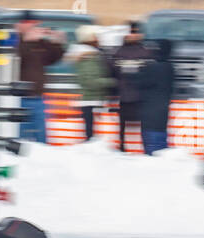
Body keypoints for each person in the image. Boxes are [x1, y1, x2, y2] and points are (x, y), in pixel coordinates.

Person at [14, 12, 66, 144]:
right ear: (21, 25)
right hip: (18, 99)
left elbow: (52, 59)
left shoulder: (40, 43)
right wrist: (26, 41)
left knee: (41, 135)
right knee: (21, 135)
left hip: (38, 97)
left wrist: (57, 42)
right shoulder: (14, 40)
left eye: (36, 24)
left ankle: (41, 159)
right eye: (31, 24)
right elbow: (14, 60)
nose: (35, 27)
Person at [109, 21, 152, 152]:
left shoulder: (145, 52)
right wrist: (112, 95)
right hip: (124, 95)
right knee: (122, 123)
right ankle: (121, 147)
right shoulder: (119, 52)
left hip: (140, 96)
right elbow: (113, 73)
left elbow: (149, 73)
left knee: (142, 123)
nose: (133, 35)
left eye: (136, 32)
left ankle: (144, 148)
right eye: (131, 32)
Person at [71, 25, 113, 142]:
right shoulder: (87, 58)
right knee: (91, 138)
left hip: (94, 100)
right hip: (91, 101)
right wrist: (112, 82)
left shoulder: (92, 55)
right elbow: (91, 81)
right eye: (96, 37)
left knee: (93, 138)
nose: (99, 40)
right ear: (90, 40)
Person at [137, 38, 175, 155]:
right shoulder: (170, 68)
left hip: (149, 117)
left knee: (152, 152)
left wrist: (140, 69)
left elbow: (139, 82)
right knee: (160, 150)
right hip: (162, 116)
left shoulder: (153, 68)